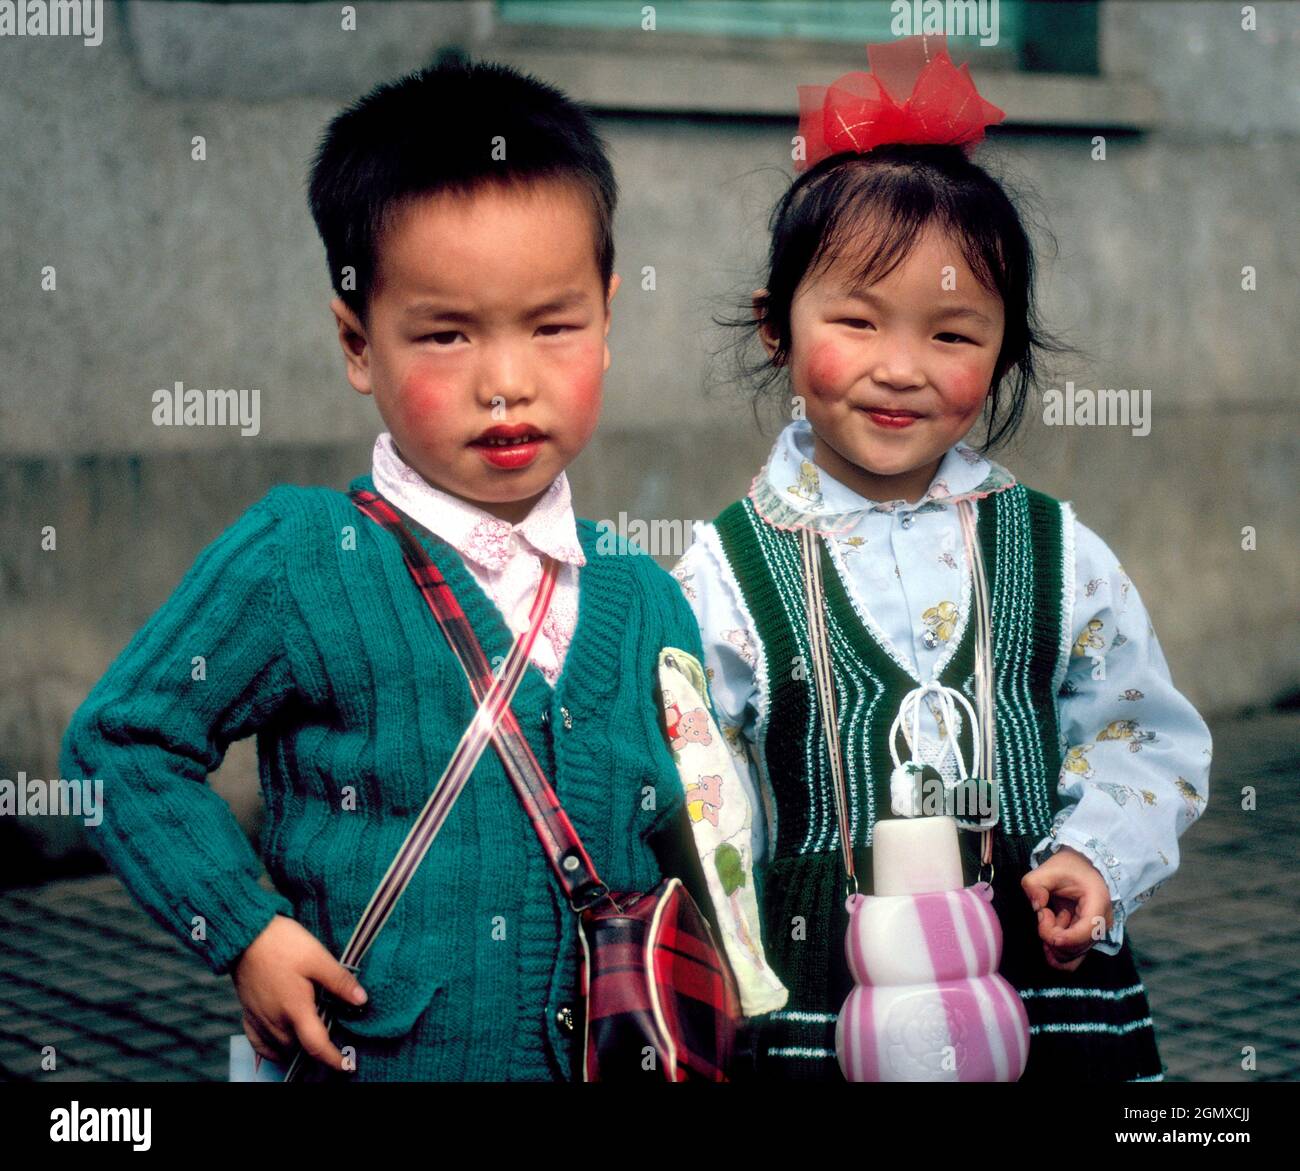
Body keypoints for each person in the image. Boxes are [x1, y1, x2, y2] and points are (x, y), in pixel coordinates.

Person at [60, 58, 716, 1082]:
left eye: (553, 325)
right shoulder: (302, 558)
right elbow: (121, 743)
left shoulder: (645, 598)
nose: (506, 382)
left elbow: (702, 840)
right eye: (446, 334)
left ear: (608, 315)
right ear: (357, 341)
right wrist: (246, 930)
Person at [672, 35, 1212, 1082]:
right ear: (776, 327)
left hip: (1037, 981)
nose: (900, 368)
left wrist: (1091, 856)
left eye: (953, 334)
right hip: (820, 994)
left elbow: (1139, 732)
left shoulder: (1057, 552)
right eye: (856, 319)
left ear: (1005, 348)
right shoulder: (726, 571)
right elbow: (699, 780)